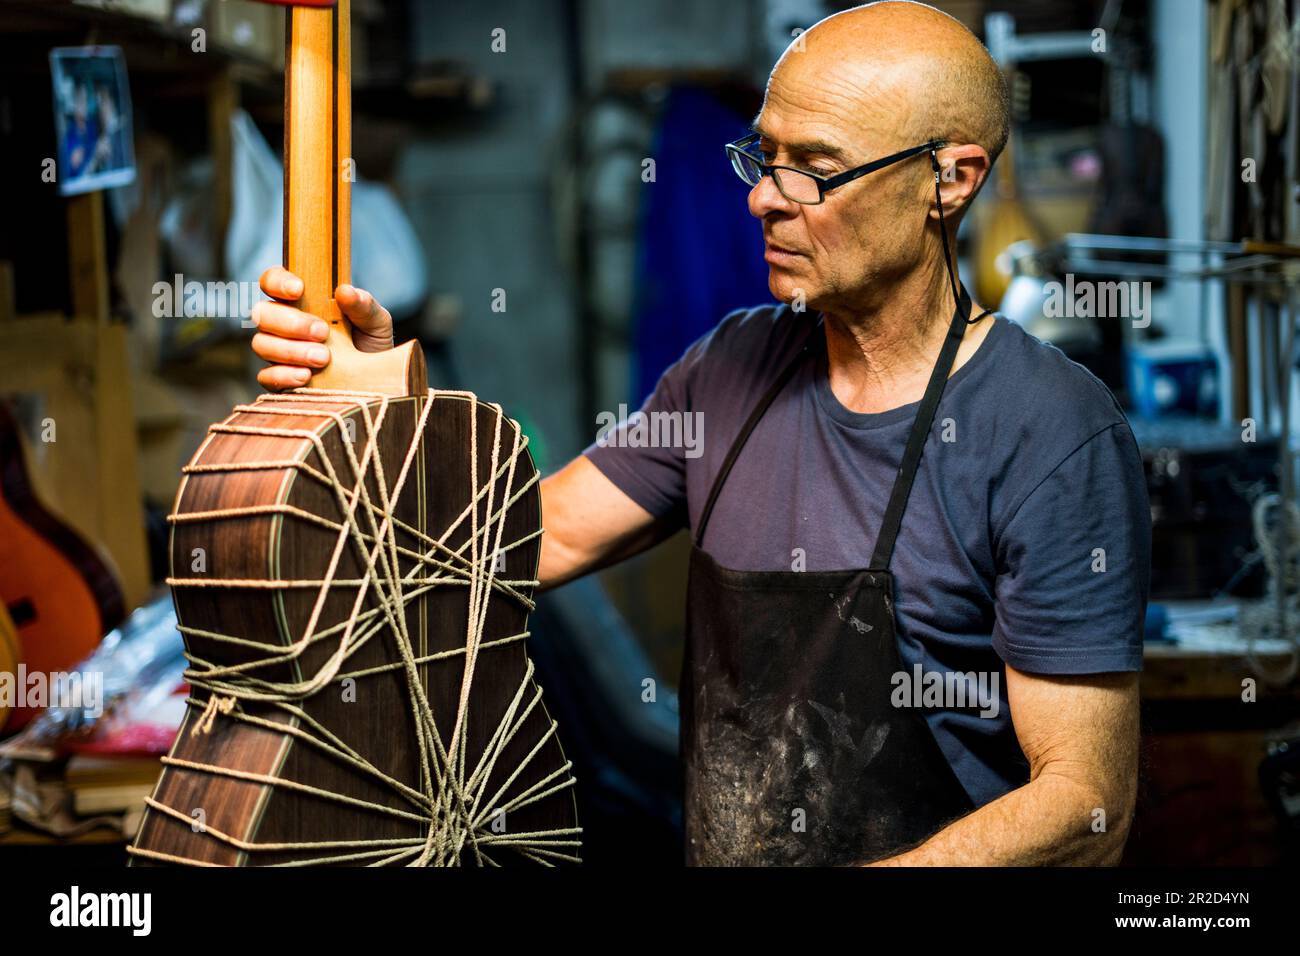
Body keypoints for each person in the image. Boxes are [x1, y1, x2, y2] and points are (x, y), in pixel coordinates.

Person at [248, 0, 1150, 866]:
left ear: (949, 180)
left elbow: (1084, 804)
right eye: (763, 158)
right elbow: (525, 538)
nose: (764, 200)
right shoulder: (729, 370)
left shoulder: (1051, 432)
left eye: (817, 170)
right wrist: (381, 400)